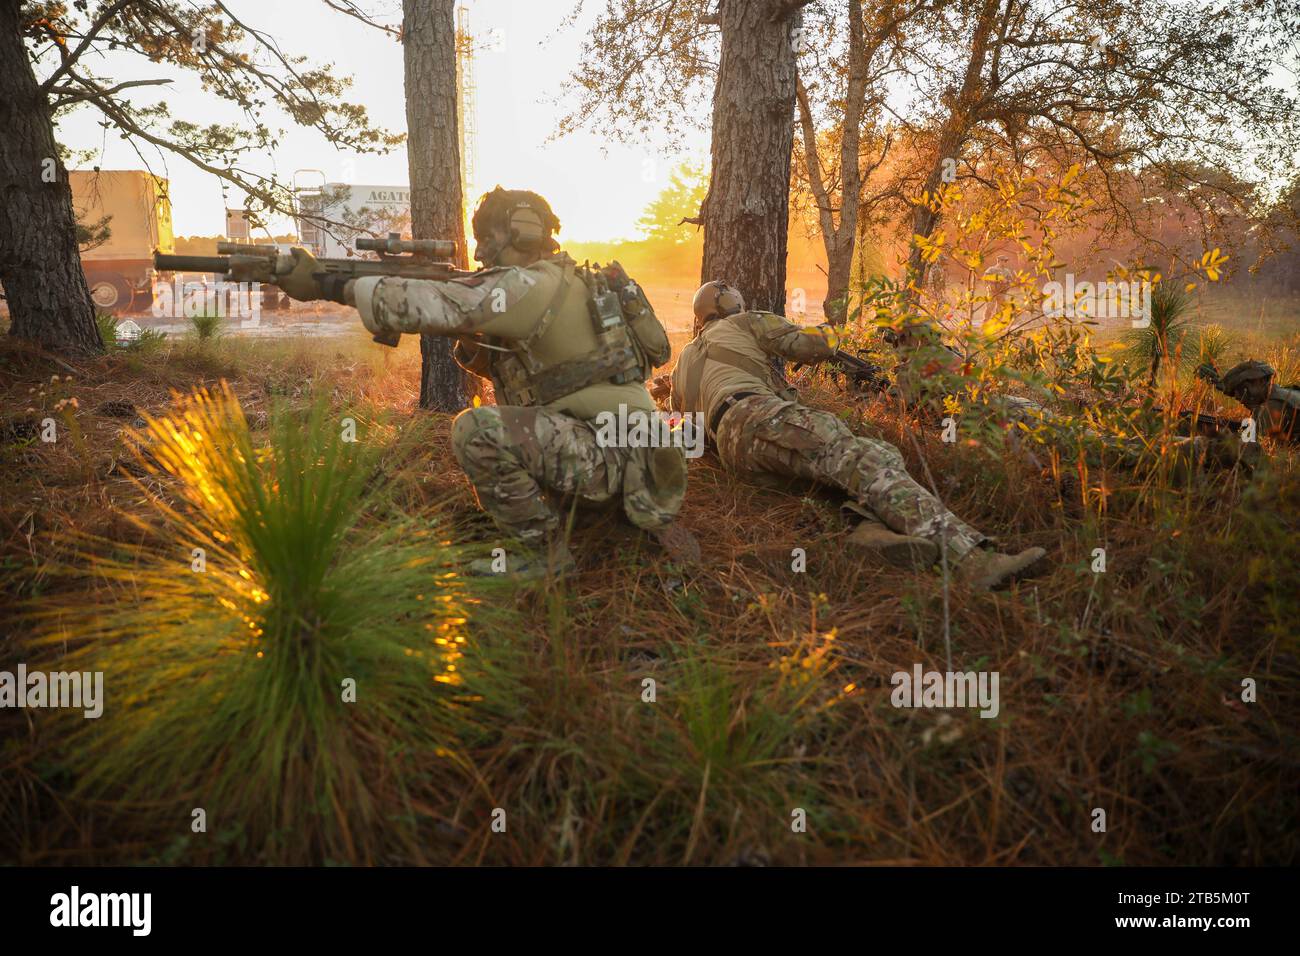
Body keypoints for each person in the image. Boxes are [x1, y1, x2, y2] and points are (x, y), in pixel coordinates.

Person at [248, 187, 694, 579]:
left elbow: (424, 304)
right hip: (635, 456)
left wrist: (325, 285)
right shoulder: (568, 281)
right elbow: (538, 378)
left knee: (476, 430)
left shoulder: (531, 285)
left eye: (488, 238)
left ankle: (545, 555)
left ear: (523, 232)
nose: (479, 252)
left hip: (615, 460)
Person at [665, 280, 1048, 590]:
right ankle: (973, 559)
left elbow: (683, 427)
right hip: (759, 417)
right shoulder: (745, 322)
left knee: (853, 464)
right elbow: (808, 346)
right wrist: (835, 329)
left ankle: (868, 531)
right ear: (733, 306)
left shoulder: (683, 360)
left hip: (736, 454)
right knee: (868, 460)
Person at [1199, 360, 1300, 444]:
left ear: (1259, 382)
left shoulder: (1270, 407)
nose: (1237, 397)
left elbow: (1260, 451)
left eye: (1240, 389)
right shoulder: (1284, 394)